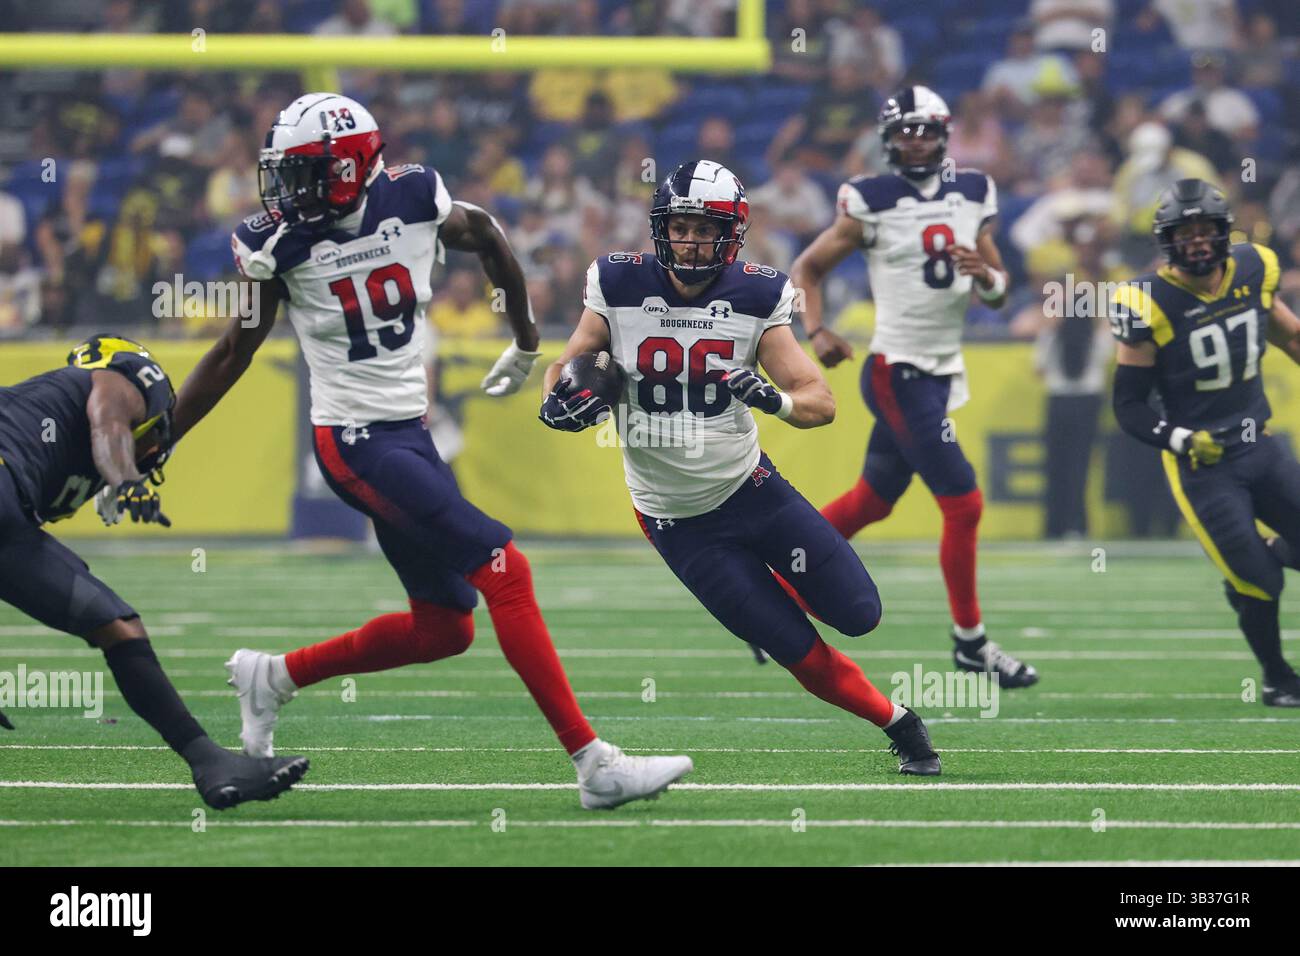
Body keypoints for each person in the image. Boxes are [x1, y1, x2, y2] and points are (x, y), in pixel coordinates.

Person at [170, 93, 693, 809]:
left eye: (306, 174)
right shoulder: (280, 244)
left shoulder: (414, 196)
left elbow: (487, 235)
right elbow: (233, 353)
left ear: (352, 169)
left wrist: (526, 336)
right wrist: (159, 439)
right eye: (284, 174)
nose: (290, 192)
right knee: (507, 570)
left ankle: (277, 676)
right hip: (356, 440)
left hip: (407, 434)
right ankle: (594, 764)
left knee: (445, 627)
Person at [538, 159, 941, 775]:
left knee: (861, 614)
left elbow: (819, 401)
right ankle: (900, 724)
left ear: (733, 233)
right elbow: (568, 365)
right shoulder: (617, 283)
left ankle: (775, 594)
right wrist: (562, 396)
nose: (691, 240)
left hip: (753, 493)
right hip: (676, 521)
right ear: (661, 229)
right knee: (795, 649)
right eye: (681, 227)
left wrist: (770, 398)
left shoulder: (756, 293)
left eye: (706, 228)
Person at [791, 86, 1039, 688]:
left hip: (937, 371)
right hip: (897, 370)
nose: (916, 141)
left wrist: (990, 279)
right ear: (889, 139)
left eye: (925, 131)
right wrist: (816, 328)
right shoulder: (869, 199)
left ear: (943, 135)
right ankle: (970, 641)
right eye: (905, 132)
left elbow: (999, 289)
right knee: (966, 503)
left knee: (871, 502)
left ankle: (775, 587)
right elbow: (806, 269)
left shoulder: (973, 191)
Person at [0, 334, 310, 807]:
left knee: (117, 626)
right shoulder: (117, 380)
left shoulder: (51, 430)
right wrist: (125, 480)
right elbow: (108, 420)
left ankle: (211, 762)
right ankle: (208, 759)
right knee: (115, 625)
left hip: (9, 520)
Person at [1110, 179, 1300, 706]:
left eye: (1205, 231)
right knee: (1262, 584)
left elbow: (1290, 336)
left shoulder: (1254, 268)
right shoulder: (1146, 301)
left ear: (1223, 232)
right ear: (1166, 240)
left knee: (1266, 561)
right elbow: (1128, 405)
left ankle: (1257, 554)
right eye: (1184, 233)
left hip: (1260, 443)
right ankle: (1277, 677)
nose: (1196, 242)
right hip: (1203, 464)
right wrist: (1179, 437)